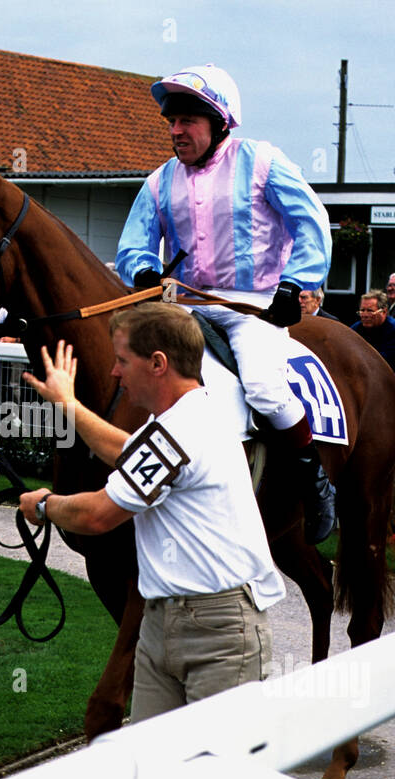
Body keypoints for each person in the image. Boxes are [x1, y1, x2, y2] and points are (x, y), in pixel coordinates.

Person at [19, 304, 284, 779]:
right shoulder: (185, 418)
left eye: (123, 361)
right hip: (166, 630)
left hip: (219, 635)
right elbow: (127, 451)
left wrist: (44, 505)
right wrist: (69, 404)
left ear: (158, 363)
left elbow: (97, 514)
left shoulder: (182, 428)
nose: (114, 373)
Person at [115, 63, 335, 542]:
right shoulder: (158, 181)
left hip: (251, 306)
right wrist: (145, 270)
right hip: (185, 306)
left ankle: (313, 481)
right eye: (171, 120)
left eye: (188, 120)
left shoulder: (263, 162)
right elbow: (132, 245)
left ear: (220, 123)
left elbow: (311, 222)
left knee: (262, 387)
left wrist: (294, 286)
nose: (176, 131)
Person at [351, 289, 395, 372]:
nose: (364, 315)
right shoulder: (355, 330)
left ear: (384, 311)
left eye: (370, 311)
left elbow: (389, 362)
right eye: (362, 310)